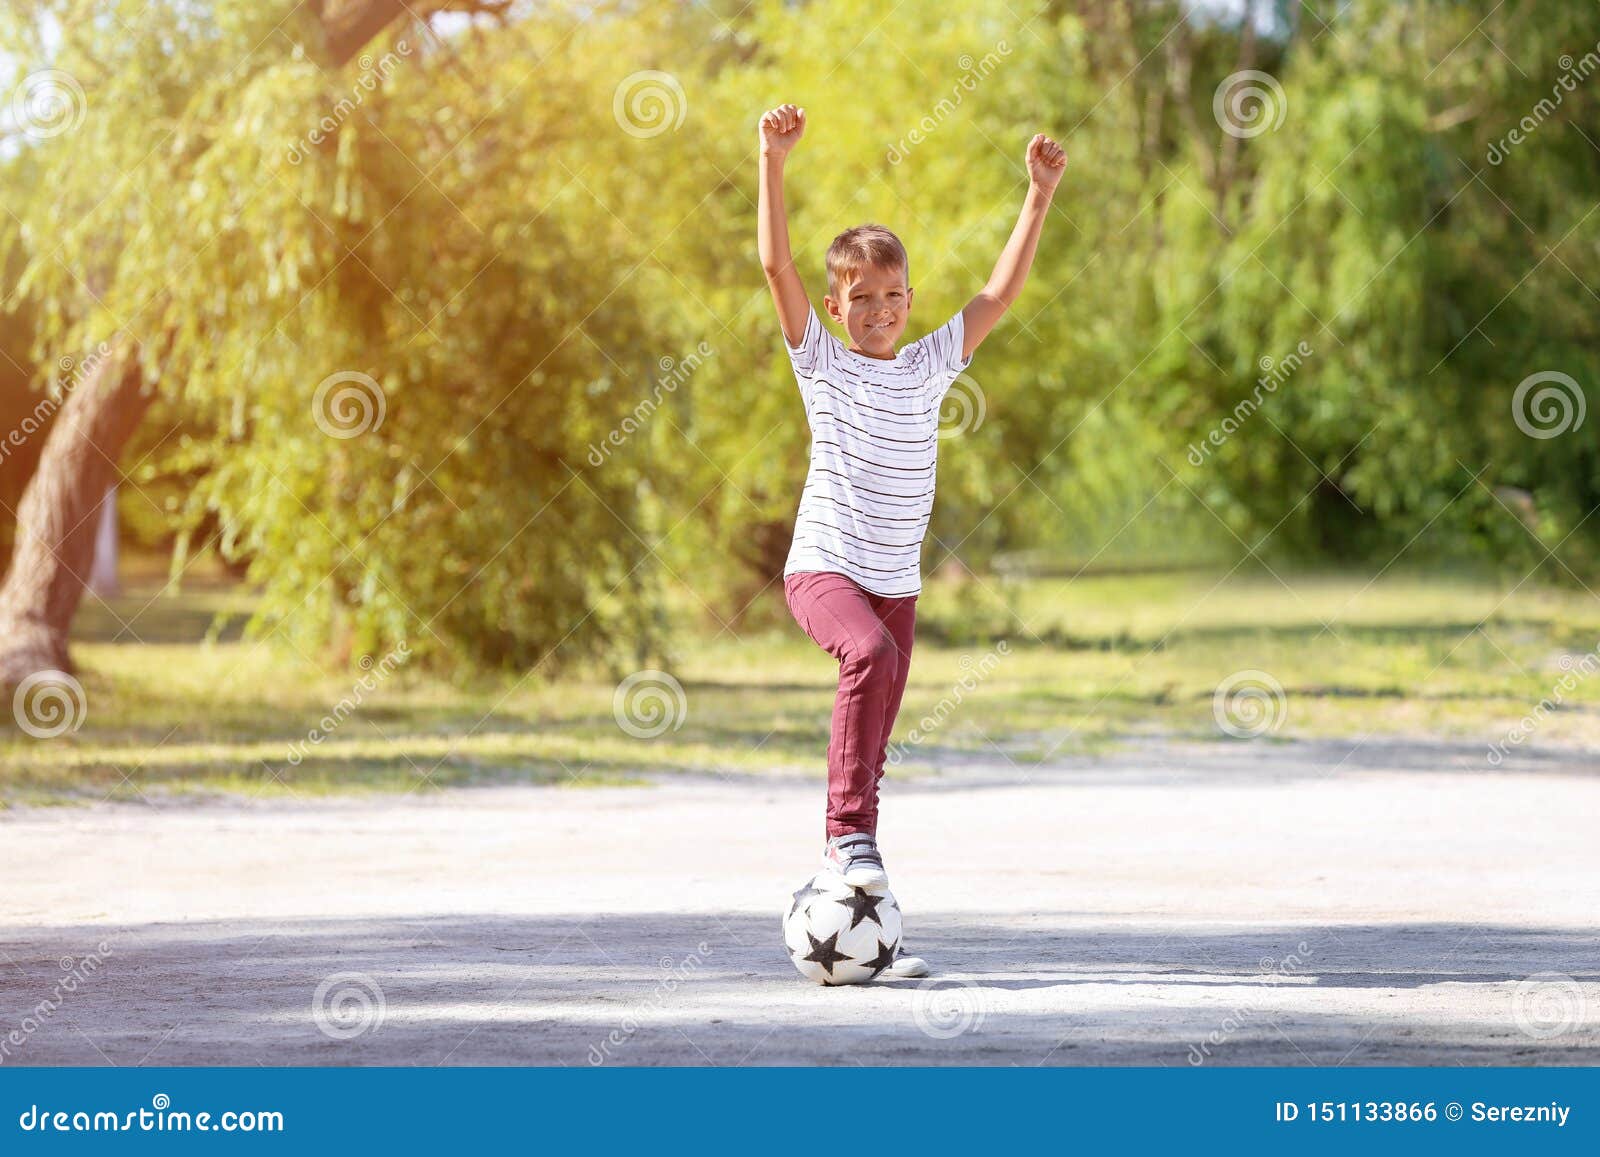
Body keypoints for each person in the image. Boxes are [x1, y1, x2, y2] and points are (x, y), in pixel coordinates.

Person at [758, 102, 1066, 973]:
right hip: (824, 567)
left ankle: (861, 918)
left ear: (910, 300)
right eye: (864, 298)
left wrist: (1037, 195)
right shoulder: (820, 358)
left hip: (898, 581)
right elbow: (773, 261)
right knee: (869, 659)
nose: (882, 311)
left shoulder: (931, 364)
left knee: (878, 738)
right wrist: (772, 161)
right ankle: (846, 840)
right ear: (835, 304)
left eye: (895, 296)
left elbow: (1000, 293)